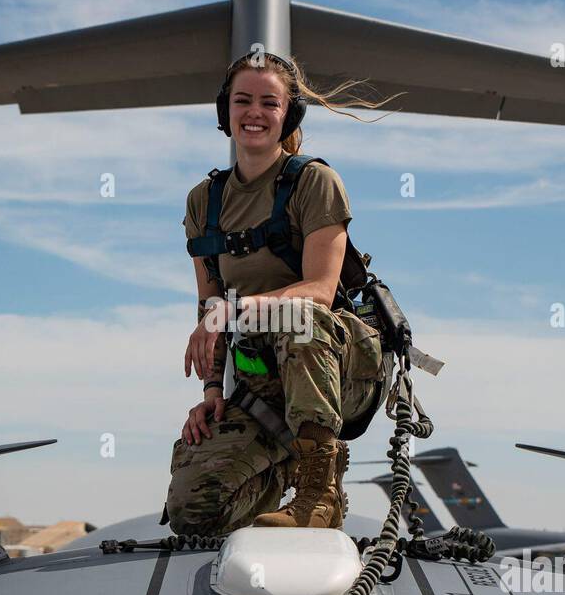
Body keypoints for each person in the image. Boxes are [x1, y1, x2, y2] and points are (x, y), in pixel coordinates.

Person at [164, 52, 396, 536]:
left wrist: (235, 309)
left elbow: (319, 289)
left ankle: (319, 493)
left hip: (336, 367)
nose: (255, 112)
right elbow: (209, 306)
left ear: (287, 114)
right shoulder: (203, 202)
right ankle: (288, 470)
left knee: (296, 318)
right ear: (225, 110)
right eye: (243, 100)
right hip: (265, 379)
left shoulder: (314, 182)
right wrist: (211, 393)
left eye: (269, 102)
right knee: (195, 512)